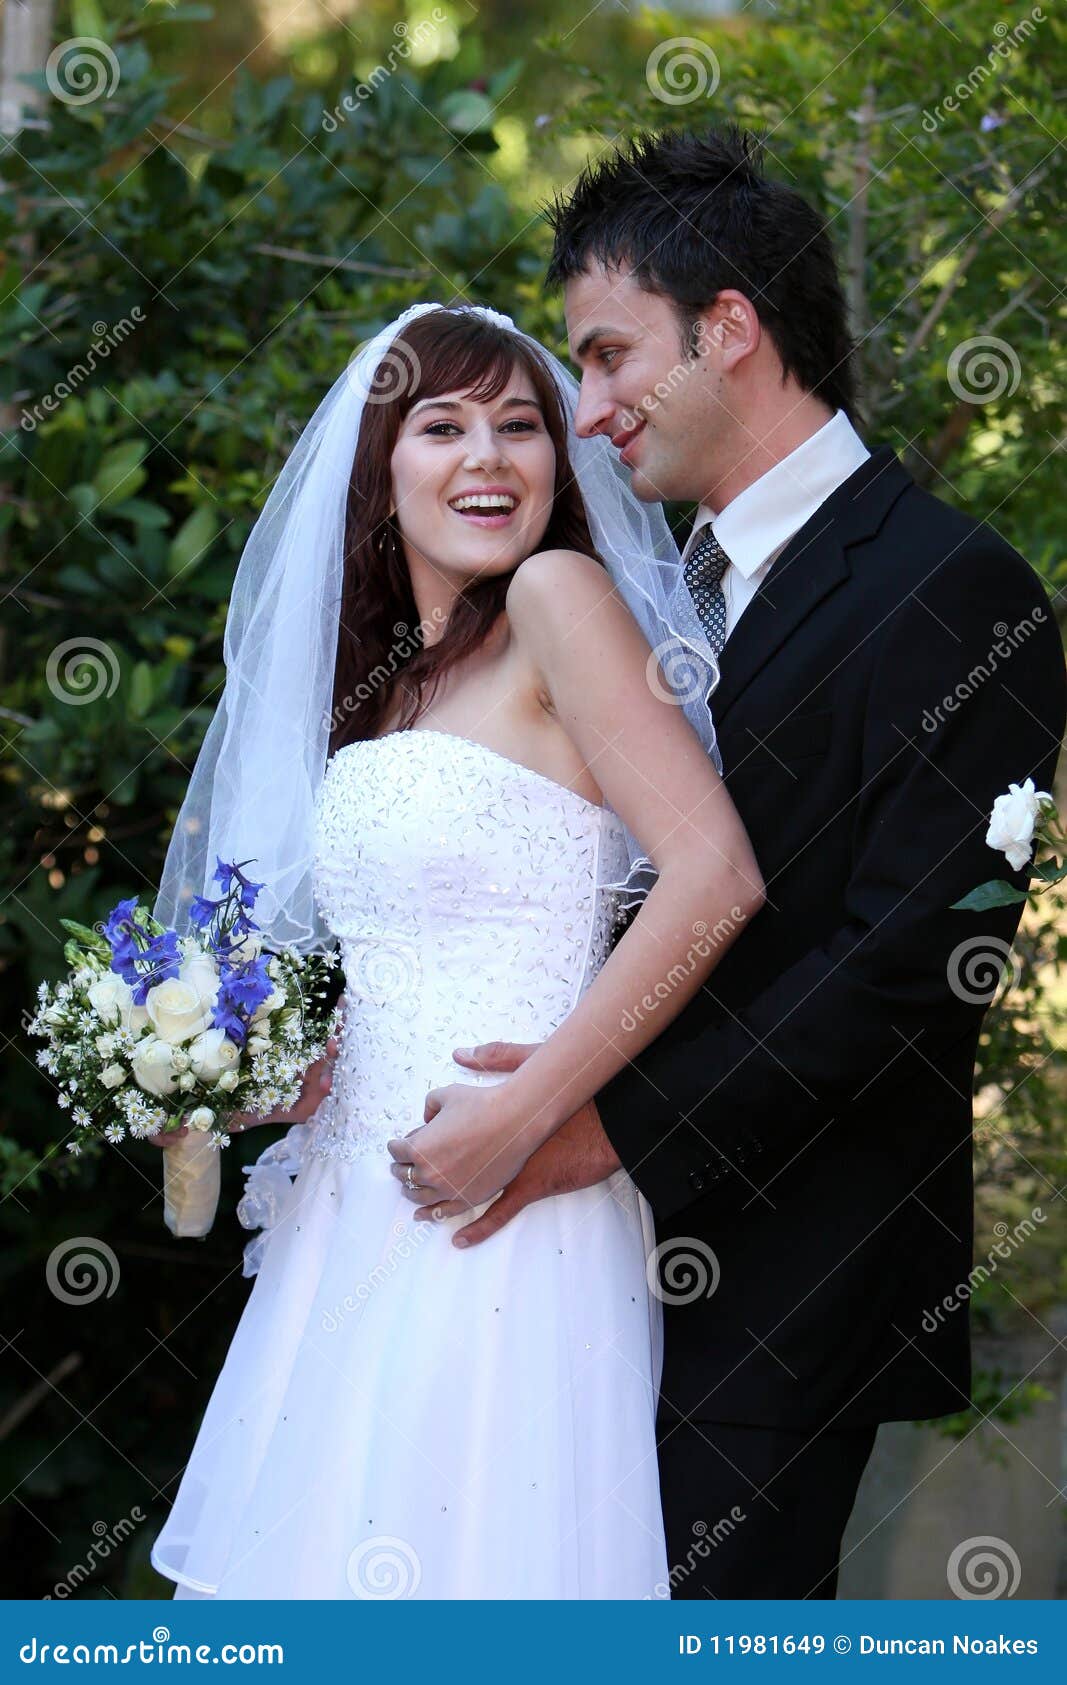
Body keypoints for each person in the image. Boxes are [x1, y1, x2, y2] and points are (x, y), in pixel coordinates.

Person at [398, 127, 1067, 1599]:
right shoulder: (649, 587)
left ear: (731, 332)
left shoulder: (955, 588)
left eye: (609, 355)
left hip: (778, 1300)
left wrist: (600, 1131)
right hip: (560, 1288)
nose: (587, 414)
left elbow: (910, 979)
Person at [146, 301, 764, 1599]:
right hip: (346, 1212)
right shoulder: (387, 691)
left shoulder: (557, 596)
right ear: (384, 469)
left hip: (507, 1201)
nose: (489, 457)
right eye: (443, 427)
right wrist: (271, 1076)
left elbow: (713, 876)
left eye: (521, 425)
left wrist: (535, 1110)